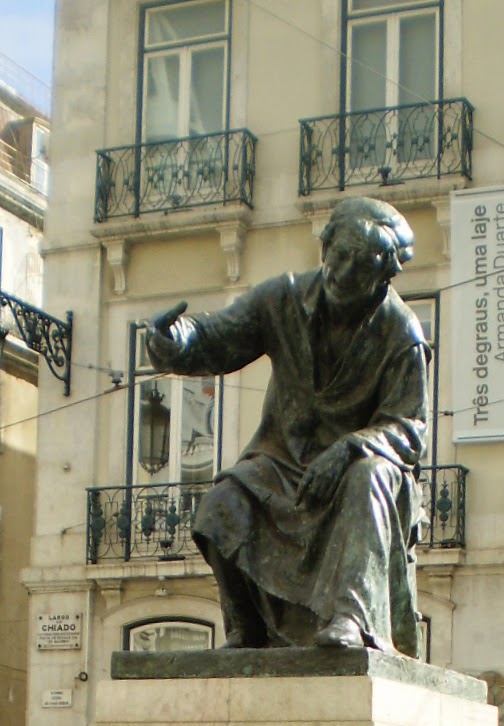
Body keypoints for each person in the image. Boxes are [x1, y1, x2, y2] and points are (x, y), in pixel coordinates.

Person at [144, 196, 429, 655]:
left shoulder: (401, 333)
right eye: (336, 259)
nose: (338, 275)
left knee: (368, 475)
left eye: (356, 269)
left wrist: (352, 447)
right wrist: (176, 341)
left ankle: (352, 618)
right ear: (326, 251)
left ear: (381, 279)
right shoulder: (284, 298)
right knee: (224, 500)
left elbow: (410, 426)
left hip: (355, 476)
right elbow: (219, 335)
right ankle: (246, 627)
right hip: (282, 465)